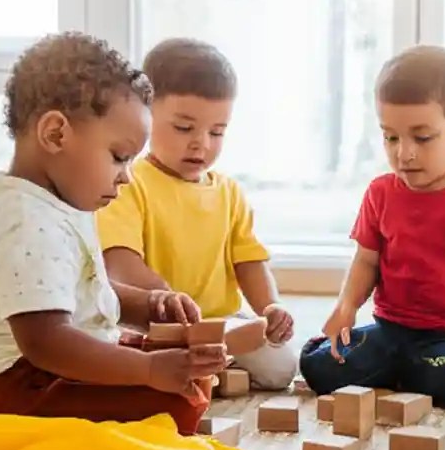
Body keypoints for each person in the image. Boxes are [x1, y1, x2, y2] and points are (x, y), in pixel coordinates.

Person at [0, 31, 226, 436]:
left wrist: (150, 305)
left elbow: (85, 288)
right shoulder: (24, 222)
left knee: (184, 370)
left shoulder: (65, 200)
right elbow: (47, 342)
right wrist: (146, 369)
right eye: (119, 157)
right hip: (7, 387)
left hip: (45, 365)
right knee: (173, 402)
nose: (126, 177)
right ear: (56, 134)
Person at [298, 45, 445, 409]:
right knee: (317, 366)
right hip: (390, 331)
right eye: (391, 137)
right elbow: (366, 262)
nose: (403, 153)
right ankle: (405, 374)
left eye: (422, 138)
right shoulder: (379, 192)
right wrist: (346, 307)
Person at [97, 39, 297, 390]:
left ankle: (207, 371)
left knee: (282, 367)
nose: (201, 143)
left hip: (222, 322)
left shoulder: (229, 192)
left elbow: (249, 263)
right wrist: (169, 304)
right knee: (117, 355)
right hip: (158, 324)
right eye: (184, 128)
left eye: (217, 132)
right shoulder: (128, 182)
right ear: (145, 114)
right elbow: (121, 263)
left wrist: (270, 308)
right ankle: (202, 374)